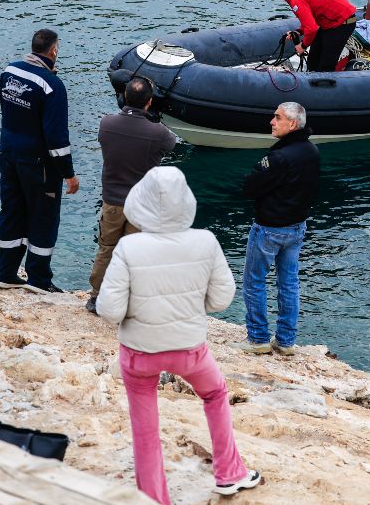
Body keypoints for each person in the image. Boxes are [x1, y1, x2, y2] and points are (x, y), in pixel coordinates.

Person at [97, 166, 262, 503]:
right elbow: (221, 299)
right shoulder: (206, 241)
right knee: (215, 394)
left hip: (139, 353)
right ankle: (230, 474)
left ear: (141, 202)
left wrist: (137, 313)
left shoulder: (129, 247)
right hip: (190, 349)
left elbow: (110, 310)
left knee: (145, 425)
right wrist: (190, 306)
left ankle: (154, 497)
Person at [0, 29, 79, 293]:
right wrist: (68, 174)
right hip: (39, 163)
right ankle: (39, 279)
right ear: (54, 50)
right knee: (43, 216)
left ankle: (5, 272)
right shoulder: (52, 85)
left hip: (8, 154)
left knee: (12, 210)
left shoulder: (9, 71)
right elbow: (56, 137)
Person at [86, 77, 177, 314]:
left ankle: (97, 297)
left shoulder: (106, 124)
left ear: (124, 97)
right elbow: (172, 144)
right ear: (149, 102)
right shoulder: (158, 133)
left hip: (112, 201)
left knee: (106, 248)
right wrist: (153, 119)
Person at [239, 102, 320, 356]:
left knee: (254, 282)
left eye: (278, 117)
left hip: (269, 228)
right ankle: (285, 341)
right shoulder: (313, 151)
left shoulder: (279, 157)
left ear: (292, 124)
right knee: (289, 283)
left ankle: (258, 339)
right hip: (297, 227)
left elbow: (250, 187)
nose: (272, 122)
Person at [270, 0, 357, 72]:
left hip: (342, 23)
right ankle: (311, 75)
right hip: (329, 23)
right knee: (312, 60)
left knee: (325, 66)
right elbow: (310, 21)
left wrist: (303, 46)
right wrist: (299, 32)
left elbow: (312, 29)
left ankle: (326, 78)